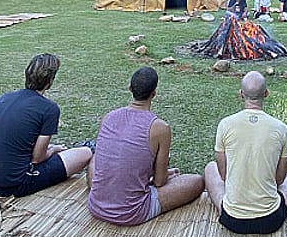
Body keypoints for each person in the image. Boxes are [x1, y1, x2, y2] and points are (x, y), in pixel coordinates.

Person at [87, 67, 205, 225]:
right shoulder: (160, 128)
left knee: (96, 158)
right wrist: (165, 173)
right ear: (154, 93)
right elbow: (159, 182)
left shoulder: (108, 117)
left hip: (96, 205)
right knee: (196, 181)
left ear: (130, 88)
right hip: (131, 212)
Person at [0, 54, 93, 197]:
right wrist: (53, 150)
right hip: (13, 184)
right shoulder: (49, 109)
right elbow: (37, 158)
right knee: (86, 152)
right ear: (50, 81)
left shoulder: (4, 98)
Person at [204, 71, 287, 234]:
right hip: (270, 220)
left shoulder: (225, 125)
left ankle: (228, 205)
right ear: (266, 93)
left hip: (233, 220)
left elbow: (223, 176)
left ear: (241, 94)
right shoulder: (281, 128)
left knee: (210, 168)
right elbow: (280, 180)